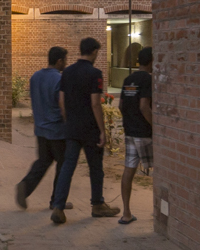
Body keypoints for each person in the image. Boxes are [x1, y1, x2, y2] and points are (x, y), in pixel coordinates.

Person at [49, 37, 120, 223]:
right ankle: (97, 205)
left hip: (72, 128)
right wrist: (102, 130)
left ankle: (58, 206)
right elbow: (95, 104)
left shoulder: (67, 72)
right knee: (95, 168)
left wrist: (68, 121)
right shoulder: (95, 73)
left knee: (67, 167)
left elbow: (62, 101)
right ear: (95, 51)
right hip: (90, 129)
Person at [15, 46, 70, 211]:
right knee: (63, 164)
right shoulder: (60, 79)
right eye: (65, 60)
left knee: (43, 161)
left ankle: (25, 186)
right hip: (57, 130)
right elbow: (62, 104)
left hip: (40, 128)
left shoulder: (35, 76)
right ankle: (57, 201)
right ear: (59, 61)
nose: (66, 63)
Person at [118, 47, 154, 225]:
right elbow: (144, 106)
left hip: (130, 131)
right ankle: (160, 212)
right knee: (158, 170)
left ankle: (126, 213)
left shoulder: (128, 79)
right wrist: (156, 126)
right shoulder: (148, 79)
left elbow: (120, 105)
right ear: (152, 61)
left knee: (128, 170)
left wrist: (129, 120)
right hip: (145, 132)